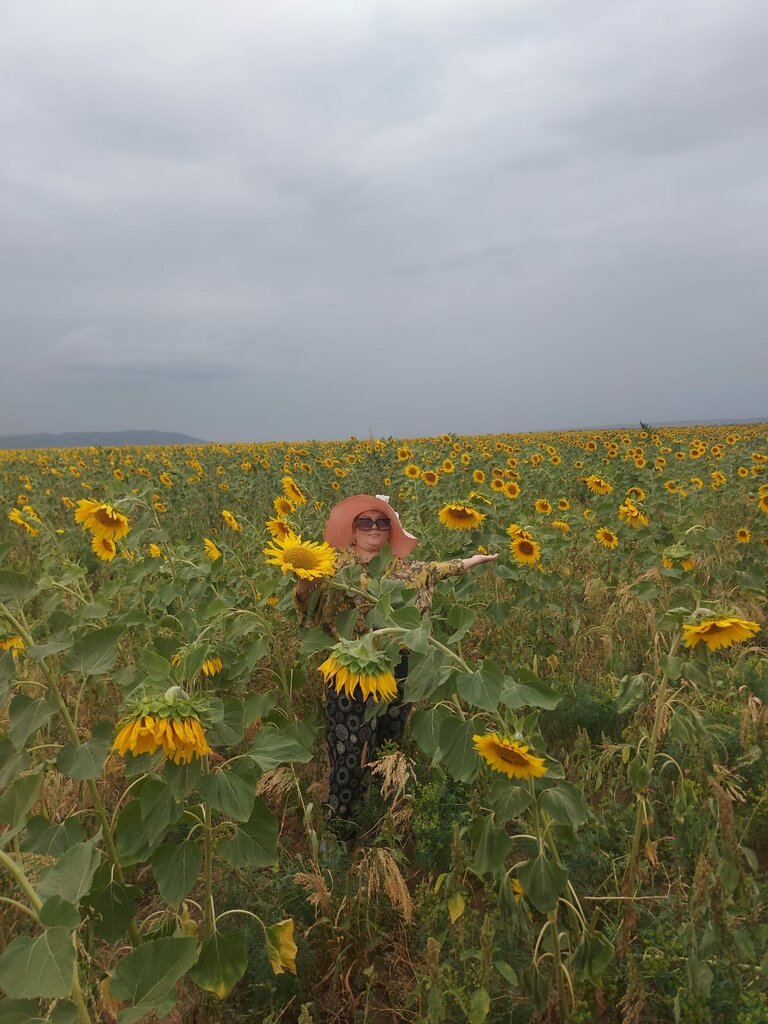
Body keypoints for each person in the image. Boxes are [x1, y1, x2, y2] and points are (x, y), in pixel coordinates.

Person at [294, 494, 497, 824]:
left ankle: (379, 814)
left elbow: (436, 570)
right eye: (365, 522)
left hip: (397, 667)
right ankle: (340, 824)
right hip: (350, 668)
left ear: (390, 530)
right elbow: (306, 600)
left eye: (382, 522)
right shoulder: (332, 565)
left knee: (388, 743)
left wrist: (471, 561)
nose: (374, 528)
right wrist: (303, 586)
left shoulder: (405, 569)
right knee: (348, 750)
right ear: (353, 529)